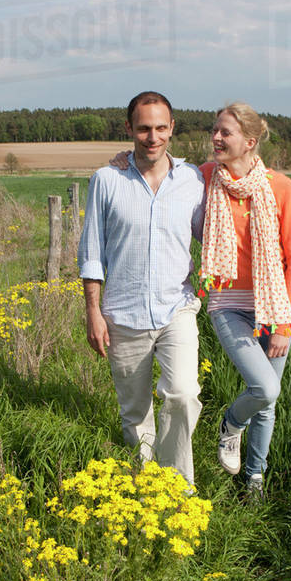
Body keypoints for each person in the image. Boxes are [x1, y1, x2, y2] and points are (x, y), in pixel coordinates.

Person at [78, 91, 206, 485]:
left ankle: (178, 486)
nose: (153, 137)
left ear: (173, 129)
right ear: (130, 130)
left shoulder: (193, 179)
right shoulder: (106, 180)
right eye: (144, 128)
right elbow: (92, 251)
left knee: (183, 394)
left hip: (177, 307)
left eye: (161, 128)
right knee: (135, 411)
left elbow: (211, 236)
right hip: (124, 312)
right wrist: (93, 312)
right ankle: (147, 479)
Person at [199, 102, 291, 494]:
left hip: (273, 306)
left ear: (250, 141)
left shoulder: (280, 187)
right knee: (265, 388)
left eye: (225, 132)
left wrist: (285, 323)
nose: (216, 138)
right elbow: (162, 169)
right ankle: (231, 423)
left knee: (268, 402)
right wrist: (125, 158)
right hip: (228, 302)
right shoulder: (206, 177)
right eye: (215, 130)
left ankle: (254, 477)